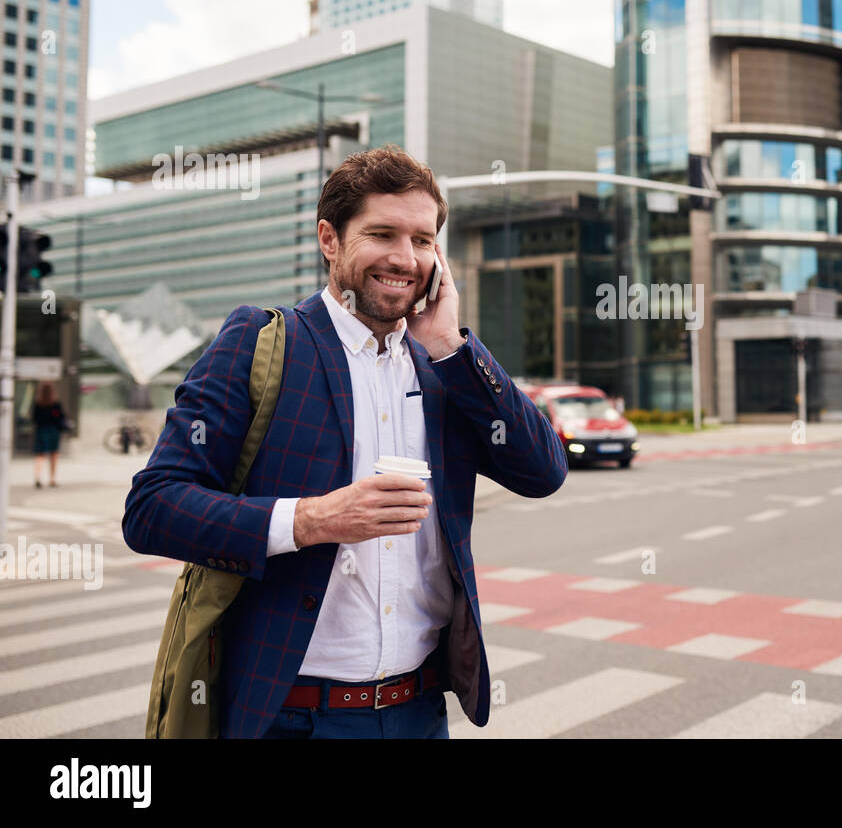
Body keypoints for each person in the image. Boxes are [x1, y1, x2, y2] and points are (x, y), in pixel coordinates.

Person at [123, 146, 568, 739]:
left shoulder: (444, 368)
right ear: (330, 239)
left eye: (423, 239)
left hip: (419, 711)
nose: (405, 258)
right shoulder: (262, 343)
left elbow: (542, 471)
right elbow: (152, 509)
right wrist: (310, 520)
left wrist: (454, 346)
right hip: (293, 716)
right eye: (382, 234)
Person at [32, 381, 69, 487]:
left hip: (41, 430)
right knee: (53, 455)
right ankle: (52, 479)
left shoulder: (38, 404)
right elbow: (60, 417)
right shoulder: (55, 404)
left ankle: (37, 477)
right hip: (53, 431)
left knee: (40, 455)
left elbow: (34, 418)